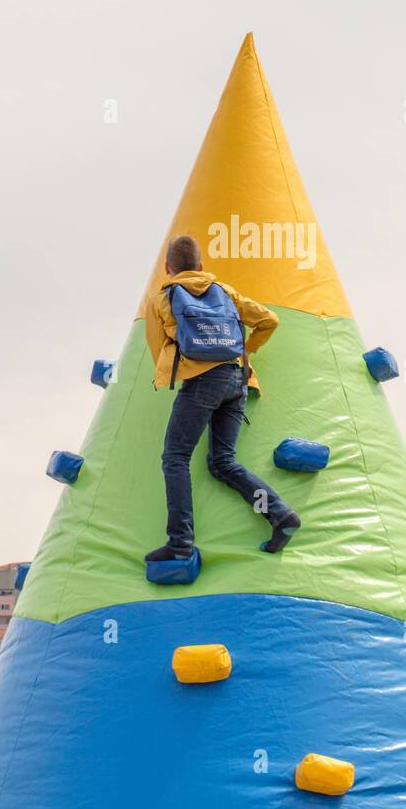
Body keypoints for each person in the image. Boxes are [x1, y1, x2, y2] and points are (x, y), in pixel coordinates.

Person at [144, 233, 301, 562]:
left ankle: (180, 542)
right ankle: (280, 515)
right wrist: (245, 350)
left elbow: (158, 350)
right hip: (237, 378)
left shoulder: (162, 298)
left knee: (175, 458)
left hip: (201, 383)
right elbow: (269, 320)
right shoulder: (224, 292)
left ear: (168, 267)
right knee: (223, 462)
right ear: (201, 266)